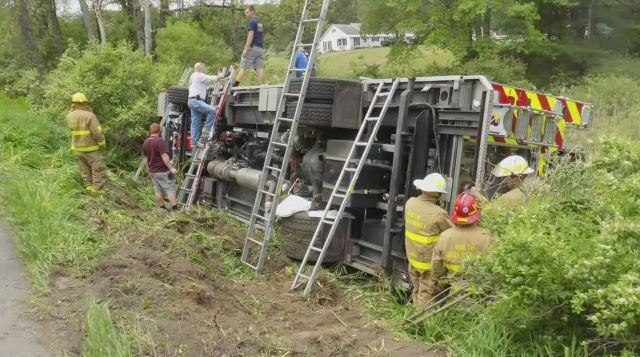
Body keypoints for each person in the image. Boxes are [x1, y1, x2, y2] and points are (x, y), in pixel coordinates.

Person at [404, 173, 453, 306]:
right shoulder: (439, 213)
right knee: (425, 293)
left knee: (417, 289)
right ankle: (419, 324)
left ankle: (412, 314)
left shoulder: (410, 203)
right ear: (438, 194)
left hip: (412, 257)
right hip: (427, 263)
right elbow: (451, 232)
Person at [430, 192, 491, 295]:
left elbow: (436, 267)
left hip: (453, 292)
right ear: (477, 213)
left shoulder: (445, 236)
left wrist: (444, 284)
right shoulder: (487, 236)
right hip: (480, 294)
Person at [65, 92, 107, 194]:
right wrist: (102, 144)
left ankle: (88, 187)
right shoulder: (90, 116)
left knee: (84, 169)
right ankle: (97, 190)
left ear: (73, 103)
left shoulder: (69, 116)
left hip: (77, 148)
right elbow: (97, 133)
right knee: (98, 168)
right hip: (91, 148)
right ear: (84, 103)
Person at [143, 123, 179, 212]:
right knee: (170, 188)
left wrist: (147, 168)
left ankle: (162, 209)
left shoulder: (146, 141)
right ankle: (175, 209)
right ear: (160, 131)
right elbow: (164, 156)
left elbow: (145, 158)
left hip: (152, 171)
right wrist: (171, 168)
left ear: (150, 131)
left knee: (158, 190)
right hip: (162, 171)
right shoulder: (160, 141)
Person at [188, 62, 226, 145]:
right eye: (204, 67)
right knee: (212, 111)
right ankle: (205, 133)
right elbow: (210, 78)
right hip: (196, 100)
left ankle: (194, 141)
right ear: (200, 68)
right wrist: (221, 76)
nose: (205, 69)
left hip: (192, 100)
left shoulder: (193, 76)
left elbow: (203, 84)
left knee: (195, 122)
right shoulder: (199, 75)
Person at [234, 5, 265, 86]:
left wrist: (245, 49)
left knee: (244, 66)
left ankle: (235, 84)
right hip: (260, 48)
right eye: (245, 13)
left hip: (253, 47)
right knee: (259, 67)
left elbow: (250, 35)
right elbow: (260, 34)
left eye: (247, 12)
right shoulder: (259, 22)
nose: (246, 14)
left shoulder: (252, 21)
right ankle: (261, 85)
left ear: (252, 11)